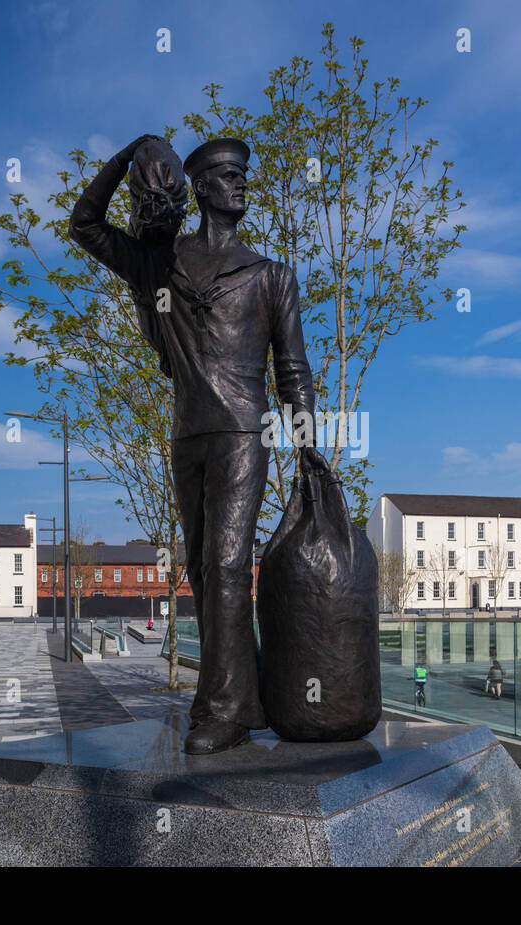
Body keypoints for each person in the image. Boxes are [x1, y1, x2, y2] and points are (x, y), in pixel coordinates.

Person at [70, 135, 323, 755]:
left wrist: (306, 440)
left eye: (243, 175)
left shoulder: (271, 277)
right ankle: (247, 699)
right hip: (188, 434)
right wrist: (129, 155)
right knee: (206, 572)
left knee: (230, 565)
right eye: (230, 176)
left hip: (243, 432)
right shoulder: (164, 264)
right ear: (201, 188)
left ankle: (224, 710)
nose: (241, 184)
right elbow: (84, 224)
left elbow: (291, 367)